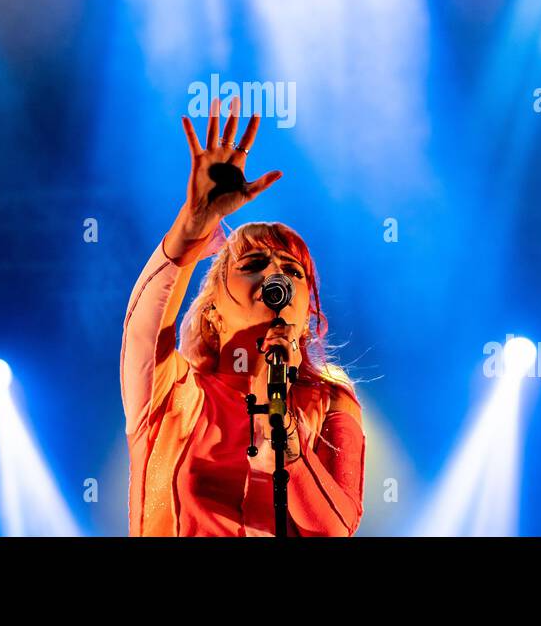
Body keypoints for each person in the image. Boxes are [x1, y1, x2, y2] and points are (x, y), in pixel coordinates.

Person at [121, 96, 365, 536]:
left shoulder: (329, 403)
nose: (276, 276)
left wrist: (280, 430)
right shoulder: (175, 395)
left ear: (306, 310)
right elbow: (143, 329)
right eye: (253, 266)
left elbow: (338, 527)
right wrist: (191, 227)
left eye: (292, 271)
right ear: (213, 311)